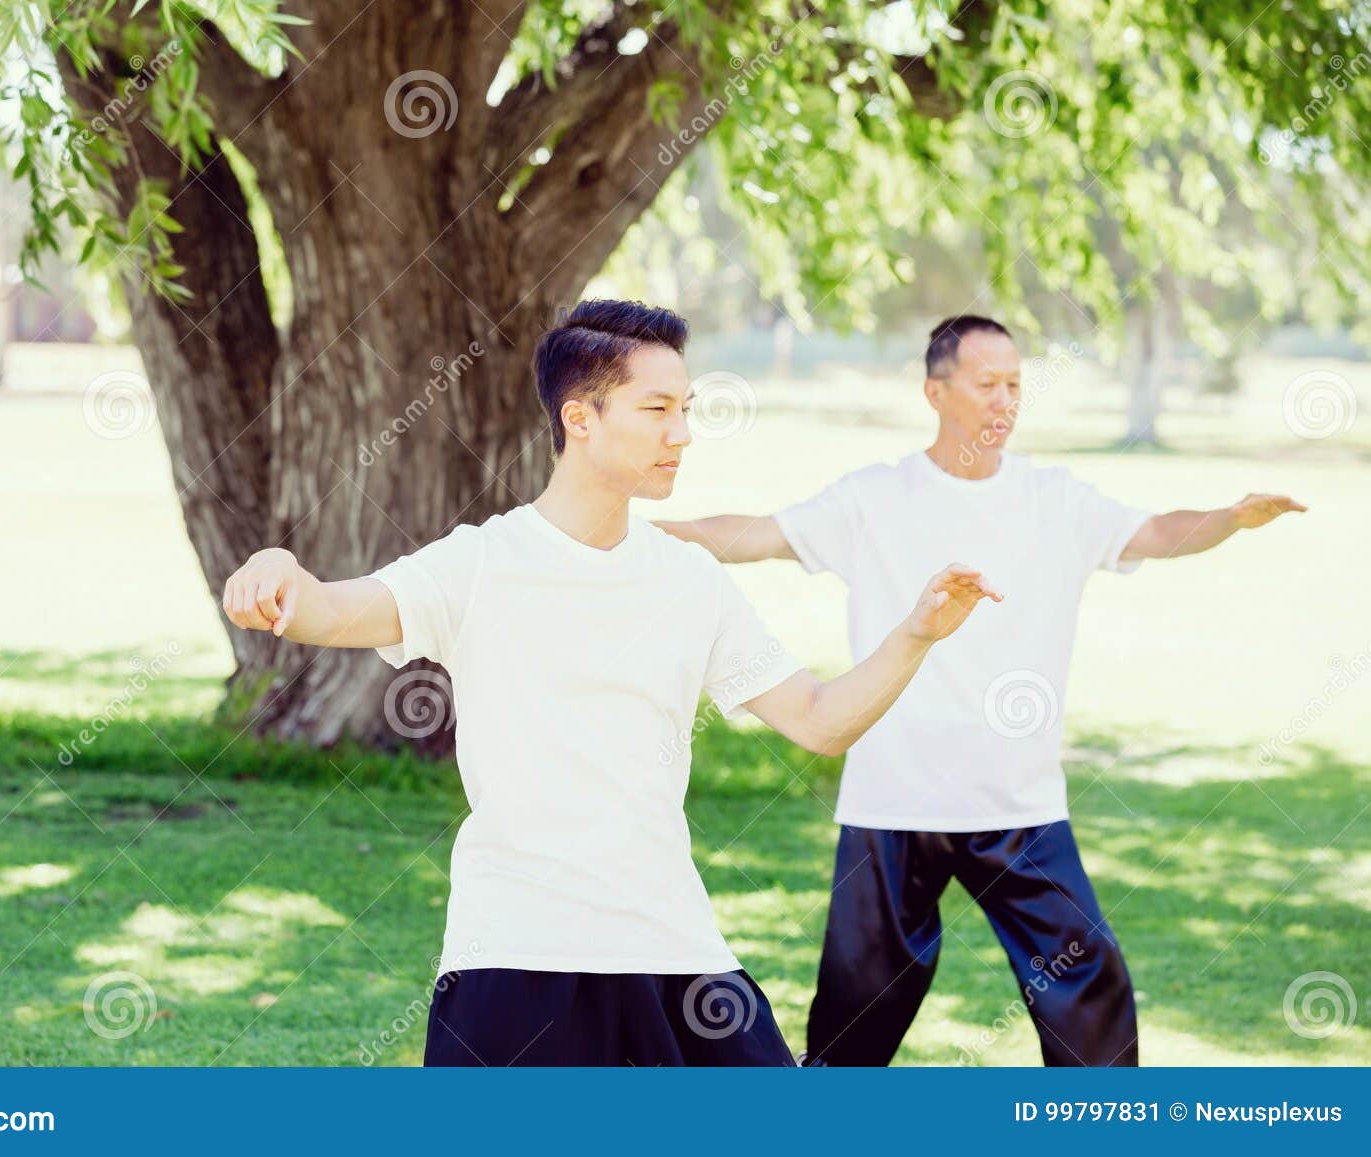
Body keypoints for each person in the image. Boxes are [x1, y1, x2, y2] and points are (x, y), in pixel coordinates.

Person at [221, 300, 1000, 1067]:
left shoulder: (690, 579)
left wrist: (915, 634)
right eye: (657, 407)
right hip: (517, 953)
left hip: (670, 946)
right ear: (580, 418)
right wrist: (279, 568)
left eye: (686, 407)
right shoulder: (480, 563)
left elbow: (821, 721)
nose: (683, 432)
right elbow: (330, 609)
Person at [657, 315, 1306, 1067]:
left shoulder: (1054, 498)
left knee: (1092, 999)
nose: (1005, 402)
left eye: (1015, 386)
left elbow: (1158, 532)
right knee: (853, 1018)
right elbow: (755, 535)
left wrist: (1230, 518)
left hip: (1018, 806)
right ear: (936, 391)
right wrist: (643, 533)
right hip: (892, 803)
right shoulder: (876, 496)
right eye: (987, 384)